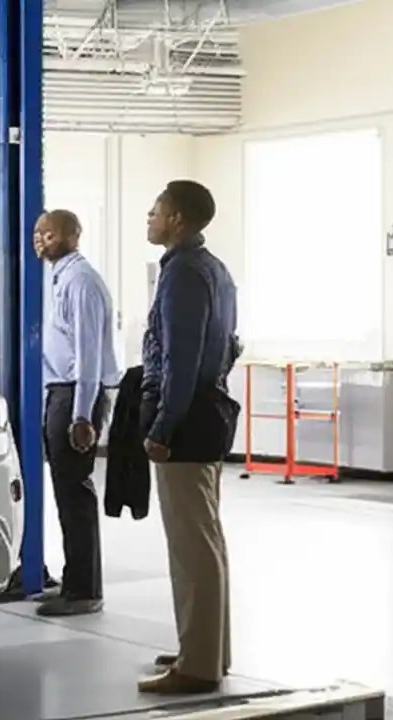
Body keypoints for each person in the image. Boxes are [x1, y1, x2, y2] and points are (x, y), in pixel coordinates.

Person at [137, 180, 241, 695]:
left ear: (177, 217)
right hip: (211, 413)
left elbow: (181, 358)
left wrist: (163, 426)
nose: (150, 218)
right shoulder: (216, 270)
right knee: (207, 539)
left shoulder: (180, 274)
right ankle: (207, 648)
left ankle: (197, 667)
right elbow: (228, 346)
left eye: (156, 211)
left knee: (190, 544)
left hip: (187, 419)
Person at [32, 209, 120, 617]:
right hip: (62, 392)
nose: (41, 240)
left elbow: (88, 354)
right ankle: (76, 583)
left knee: (75, 493)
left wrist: (82, 415)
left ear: (74, 235)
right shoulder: (60, 277)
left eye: (49, 234)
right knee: (67, 492)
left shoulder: (81, 281)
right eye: (38, 234)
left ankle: (84, 591)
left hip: (76, 394)